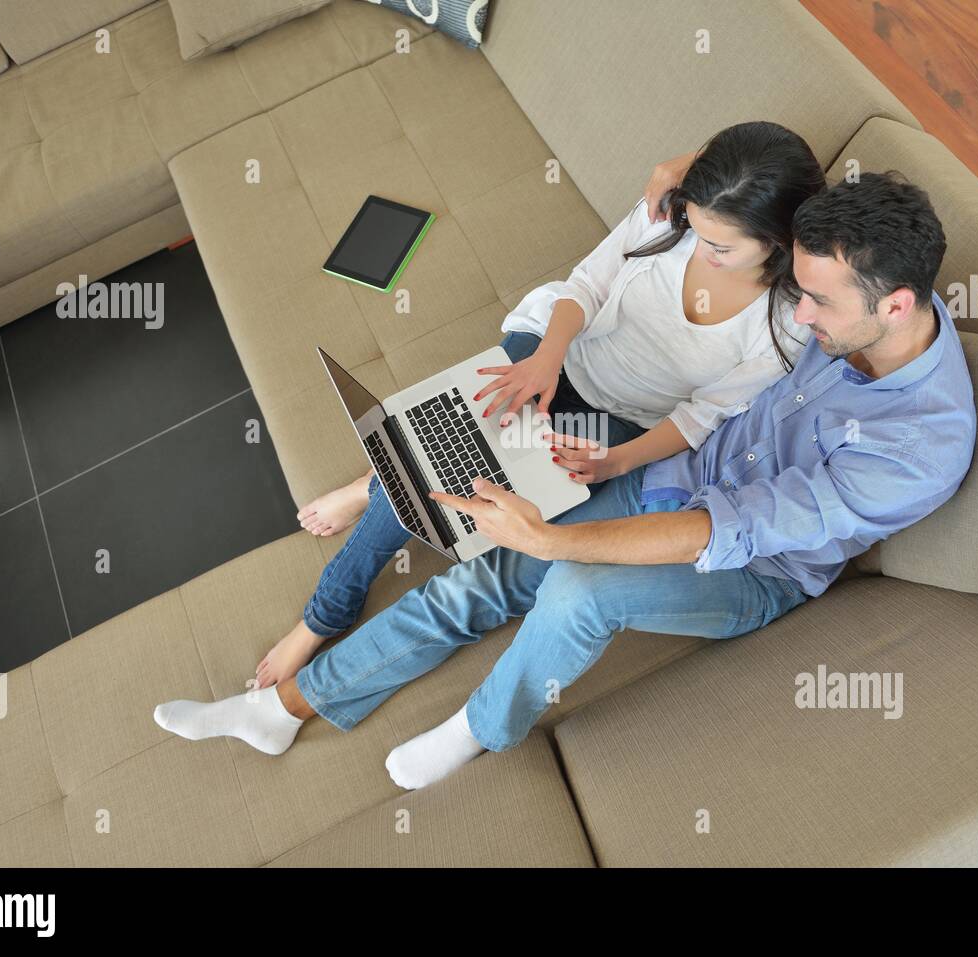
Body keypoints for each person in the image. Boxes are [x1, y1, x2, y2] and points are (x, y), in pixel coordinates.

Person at [153, 171, 977, 793]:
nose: (798, 317)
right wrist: (672, 176)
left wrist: (553, 537)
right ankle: (279, 711)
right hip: (670, 480)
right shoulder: (847, 291)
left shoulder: (921, 446)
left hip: (756, 570)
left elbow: (733, 530)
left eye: (818, 305)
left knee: (577, 591)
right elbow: (745, 169)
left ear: (898, 304)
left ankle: (481, 726)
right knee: (480, 576)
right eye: (800, 293)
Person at [255, 121, 825, 688]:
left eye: (720, 246)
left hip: (619, 424)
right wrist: (546, 359)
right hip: (557, 347)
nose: (701, 248)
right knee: (436, 456)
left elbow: (702, 415)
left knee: (459, 482)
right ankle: (325, 614)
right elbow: (587, 287)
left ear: (781, 239)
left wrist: (619, 463)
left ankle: (376, 479)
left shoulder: (785, 324)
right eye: (698, 230)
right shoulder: (669, 214)